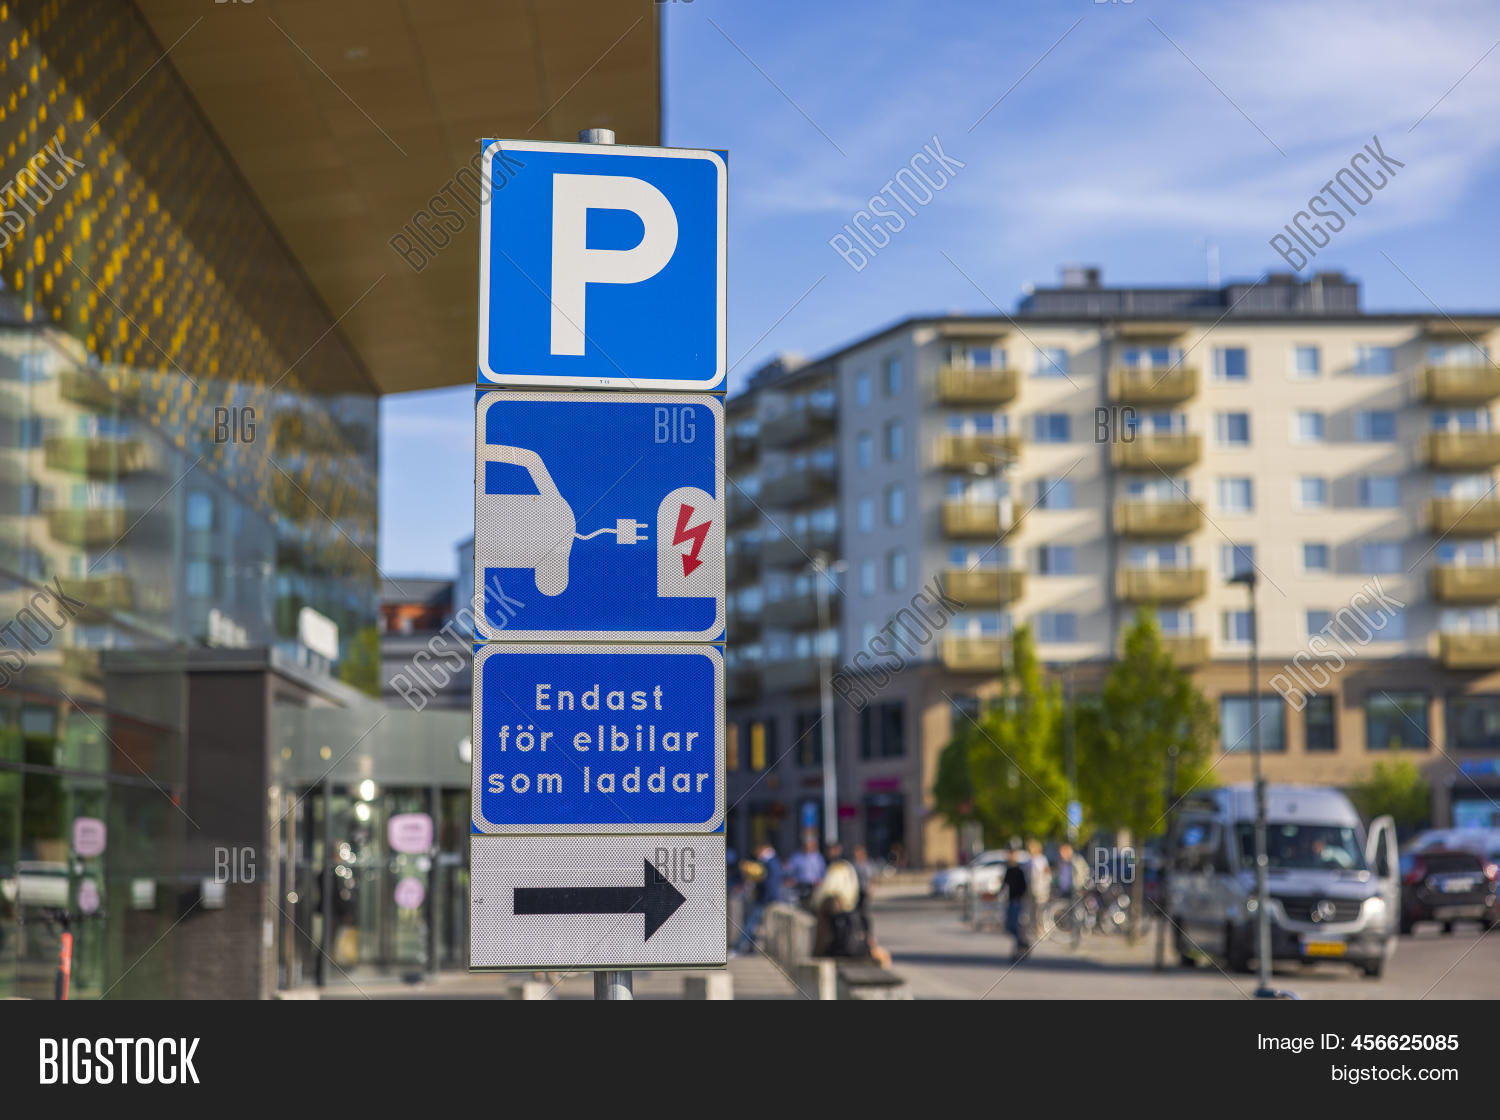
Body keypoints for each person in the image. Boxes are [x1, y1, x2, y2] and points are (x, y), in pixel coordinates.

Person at [812, 860, 892, 969]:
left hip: (833, 952)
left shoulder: (824, 901)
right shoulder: (834, 903)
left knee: (880, 954)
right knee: (882, 956)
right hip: (837, 955)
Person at [734, 842, 782, 954]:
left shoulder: (770, 862)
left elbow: (770, 883)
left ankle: (740, 947)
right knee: (754, 924)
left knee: (751, 923)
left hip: (765, 899)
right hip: (765, 898)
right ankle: (748, 948)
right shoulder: (771, 862)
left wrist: (768, 897)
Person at [1002, 850, 1030, 960]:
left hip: (1017, 901)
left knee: (1014, 925)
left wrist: (1020, 897)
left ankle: (1020, 945)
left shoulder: (1019, 871)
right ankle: (1022, 942)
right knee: (1009, 926)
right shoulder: (1008, 870)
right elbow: (1004, 884)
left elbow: (1024, 887)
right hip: (1010, 900)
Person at [785, 834, 827, 907]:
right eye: (806, 844)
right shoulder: (796, 857)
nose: (808, 846)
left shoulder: (818, 857)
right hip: (799, 885)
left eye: (810, 844)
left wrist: (820, 880)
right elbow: (789, 870)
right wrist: (789, 879)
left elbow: (823, 872)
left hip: (813, 886)